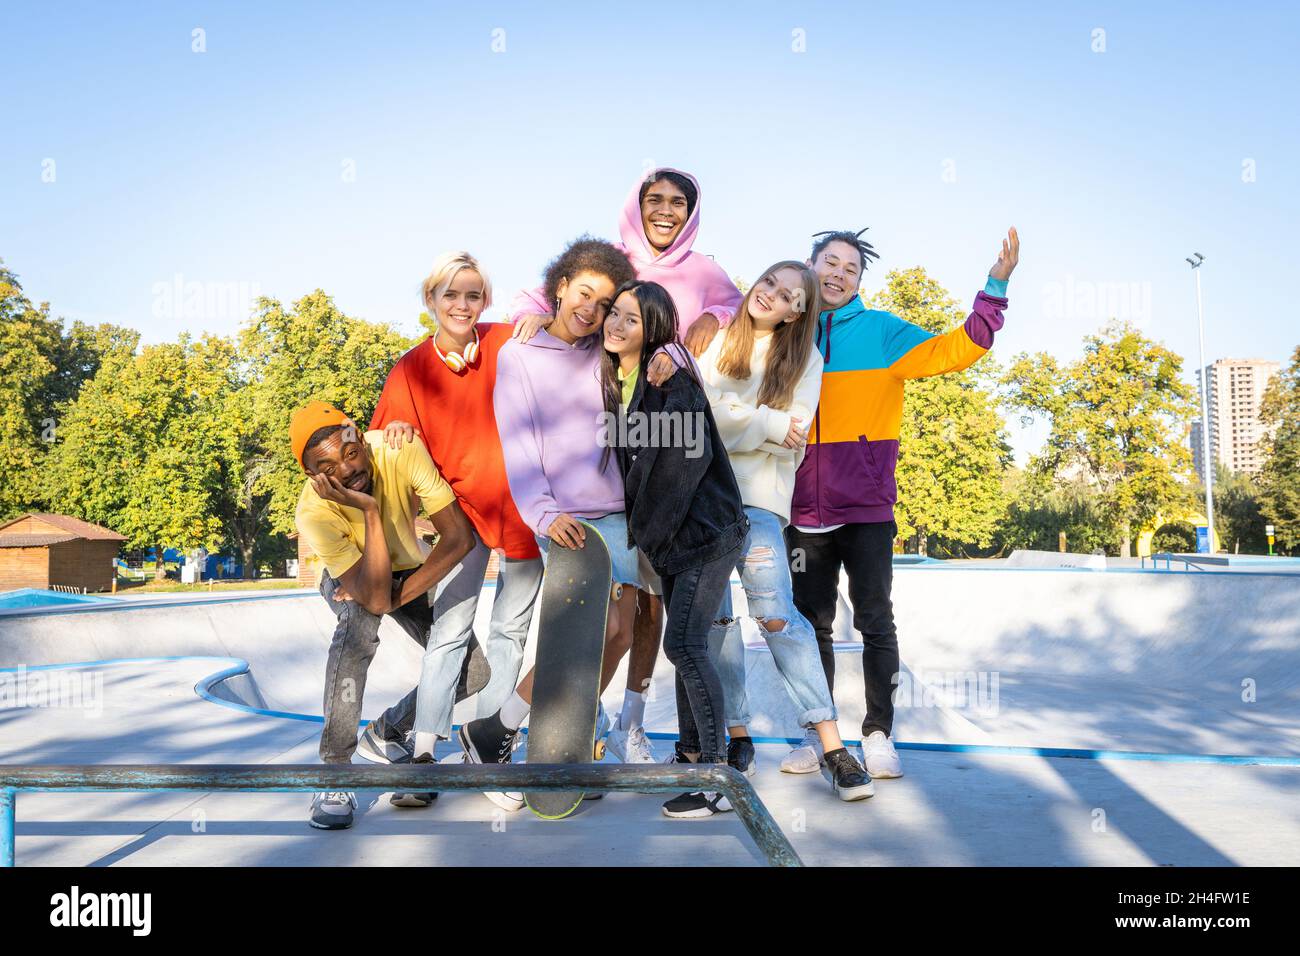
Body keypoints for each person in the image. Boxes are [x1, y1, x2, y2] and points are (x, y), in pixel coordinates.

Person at [507, 168, 743, 761]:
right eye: (654, 200)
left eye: (678, 203)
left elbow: (731, 305)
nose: (601, 316)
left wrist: (684, 343)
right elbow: (545, 298)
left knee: (688, 637)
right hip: (604, 519)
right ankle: (521, 727)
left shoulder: (659, 366)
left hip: (673, 525)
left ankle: (709, 753)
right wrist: (529, 317)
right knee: (624, 636)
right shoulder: (592, 340)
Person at [785, 227, 1019, 779]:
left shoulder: (883, 333)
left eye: (850, 268)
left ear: (859, 281)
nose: (838, 274)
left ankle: (878, 734)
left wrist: (996, 286)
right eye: (830, 263)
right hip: (800, 509)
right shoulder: (787, 335)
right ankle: (817, 737)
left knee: (874, 622)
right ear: (810, 266)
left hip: (865, 506)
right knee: (808, 627)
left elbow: (960, 349)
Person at [456, 236, 644, 812]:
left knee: (619, 633)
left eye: (604, 301)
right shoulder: (521, 352)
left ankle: (552, 739)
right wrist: (541, 512)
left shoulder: (604, 350)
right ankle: (497, 733)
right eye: (582, 292)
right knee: (581, 632)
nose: (591, 308)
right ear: (560, 286)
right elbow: (518, 440)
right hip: (561, 515)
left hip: (617, 512)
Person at [682, 261, 874, 800]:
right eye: (768, 282)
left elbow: (796, 433)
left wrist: (733, 417)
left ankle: (834, 746)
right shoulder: (714, 338)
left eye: (788, 294)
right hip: (699, 500)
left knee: (775, 616)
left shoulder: (805, 359)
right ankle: (738, 736)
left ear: (798, 311)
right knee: (716, 621)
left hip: (759, 503)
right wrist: (765, 422)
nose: (771, 295)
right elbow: (696, 416)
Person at [370, 253, 545, 779]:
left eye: (472, 295)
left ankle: (489, 742)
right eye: (450, 294)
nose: (462, 304)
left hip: (521, 514)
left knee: (509, 634)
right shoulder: (411, 370)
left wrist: (536, 317)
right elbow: (382, 443)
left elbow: (563, 333)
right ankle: (424, 751)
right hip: (460, 522)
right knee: (449, 631)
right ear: (431, 301)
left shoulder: (506, 341)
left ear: (485, 301)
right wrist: (396, 433)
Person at [290, 400, 481, 829]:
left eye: (350, 452)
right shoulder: (314, 512)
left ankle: (386, 732)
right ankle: (336, 769)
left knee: (472, 670)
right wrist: (370, 511)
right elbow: (372, 597)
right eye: (328, 466)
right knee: (358, 627)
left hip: (409, 572)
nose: (346, 469)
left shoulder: (399, 449)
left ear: (358, 435)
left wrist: (398, 595)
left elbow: (458, 538)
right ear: (312, 475)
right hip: (354, 575)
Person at [601, 279, 749, 817]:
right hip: (679, 541)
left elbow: (678, 471)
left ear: (656, 330)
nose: (616, 325)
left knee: (686, 646)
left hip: (705, 536)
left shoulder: (670, 379)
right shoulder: (631, 376)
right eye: (614, 314)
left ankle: (716, 776)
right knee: (690, 646)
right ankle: (693, 754)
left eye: (631, 320)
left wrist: (649, 538)